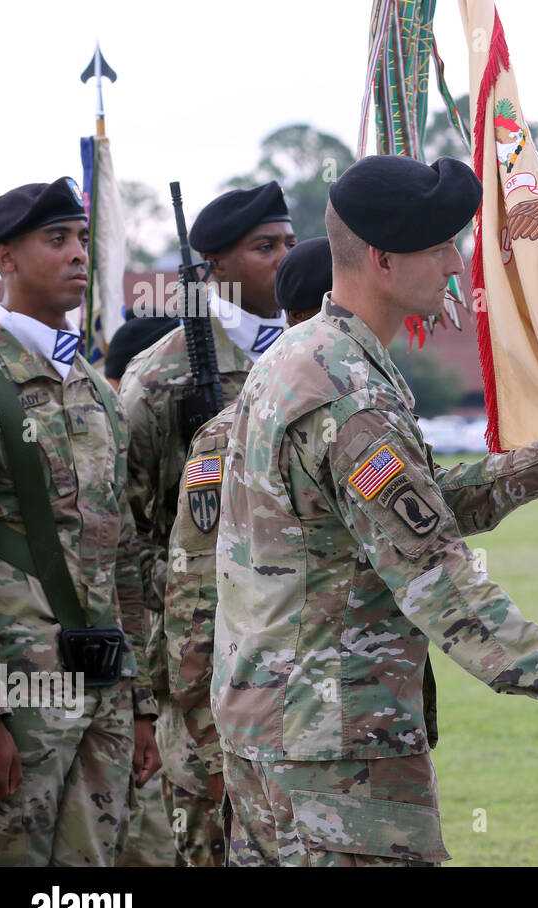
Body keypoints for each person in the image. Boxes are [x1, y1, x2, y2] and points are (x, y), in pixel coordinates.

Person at [212, 154, 538, 866]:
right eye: (440, 247)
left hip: (284, 732)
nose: (457, 264)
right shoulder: (347, 392)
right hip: (335, 752)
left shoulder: (307, 358)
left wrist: (531, 468)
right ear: (384, 260)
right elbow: (437, 578)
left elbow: (396, 515)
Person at [0, 178, 160, 865]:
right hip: (21, 696)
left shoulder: (92, 386)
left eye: (83, 239)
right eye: (56, 239)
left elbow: (123, 557)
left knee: (92, 882)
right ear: (6, 258)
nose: (79, 254)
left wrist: (141, 703)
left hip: (104, 692)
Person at [117, 180, 296, 866]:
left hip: (292, 644)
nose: (283, 257)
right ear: (216, 268)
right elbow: (129, 531)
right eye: (263, 247)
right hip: (202, 652)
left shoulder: (309, 356)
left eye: (287, 242)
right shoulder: (161, 378)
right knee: (209, 837)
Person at [158, 237, 333, 867]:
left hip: (328, 721)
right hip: (262, 721)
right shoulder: (238, 427)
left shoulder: (355, 402)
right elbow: (195, 588)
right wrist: (208, 745)